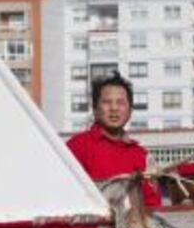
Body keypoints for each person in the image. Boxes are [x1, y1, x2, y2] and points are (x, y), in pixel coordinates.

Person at [66, 71, 161, 206]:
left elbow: (153, 206)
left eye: (121, 102)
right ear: (95, 109)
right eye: (107, 102)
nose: (114, 108)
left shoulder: (141, 155)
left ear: (130, 110)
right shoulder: (77, 147)